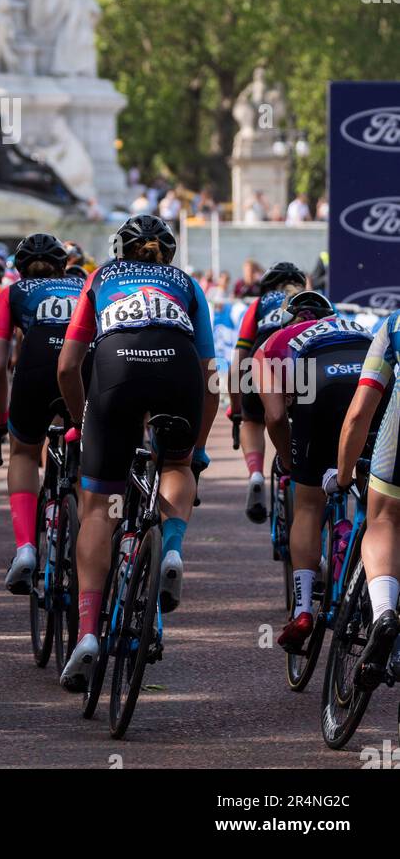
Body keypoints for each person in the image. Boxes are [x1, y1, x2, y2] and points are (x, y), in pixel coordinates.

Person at [57, 215, 216, 689]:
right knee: (176, 463)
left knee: (99, 510)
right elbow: (210, 370)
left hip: (115, 374)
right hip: (178, 370)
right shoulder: (186, 283)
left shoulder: (101, 276)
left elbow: (68, 366)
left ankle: (87, 634)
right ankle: (170, 551)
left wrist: (83, 420)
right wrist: (199, 446)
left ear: (119, 249)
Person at [254, 291, 382, 652]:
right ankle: (369, 572)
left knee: (308, 505)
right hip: (366, 375)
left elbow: (276, 417)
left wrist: (291, 460)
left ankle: (303, 609)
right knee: (374, 498)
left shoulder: (272, 343)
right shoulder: (357, 327)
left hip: (317, 387)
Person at [0, 233, 85, 593]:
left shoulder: (13, 293)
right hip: (83, 368)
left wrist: (0, 414)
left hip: (35, 370)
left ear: (19, 269)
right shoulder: (85, 287)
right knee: (89, 458)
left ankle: (26, 548)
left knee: (25, 451)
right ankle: (90, 539)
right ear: (64, 265)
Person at [336, 309, 400, 682]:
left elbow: (360, 413)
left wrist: (344, 475)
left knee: (384, 518)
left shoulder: (393, 323)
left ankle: (383, 612)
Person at [228, 262, 306, 522]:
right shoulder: (316, 299)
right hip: (304, 356)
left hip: (262, 355)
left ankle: (255, 474)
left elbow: (239, 355)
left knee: (252, 421)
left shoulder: (260, 303)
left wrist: (237, 409)